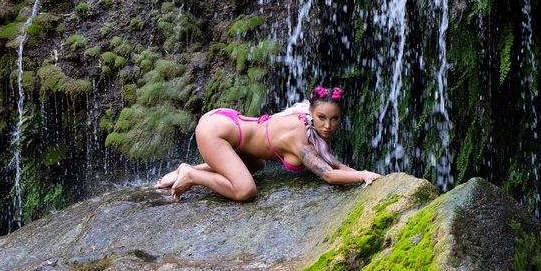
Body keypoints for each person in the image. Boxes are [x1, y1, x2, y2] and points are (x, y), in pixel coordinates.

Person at [155, 86, 382, 201]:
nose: (328, 126)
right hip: (217, 132)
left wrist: (363, 174)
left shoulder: (305, 117)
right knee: (246, 191)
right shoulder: (299, 138)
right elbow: (329, 175)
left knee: (257, 165)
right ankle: (191, 175)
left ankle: (188, 169)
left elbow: (332, 163)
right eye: (322, 118)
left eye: (335, 119)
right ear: (311, 111)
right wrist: (362, 175)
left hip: (229, 121)